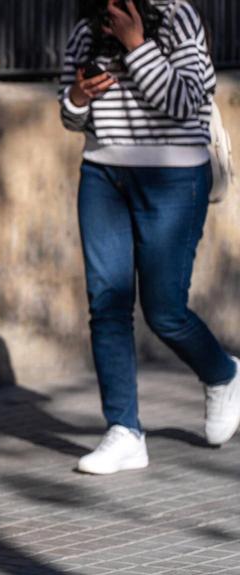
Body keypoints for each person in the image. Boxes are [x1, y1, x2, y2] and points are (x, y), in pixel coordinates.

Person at [59, 0, 240, 475]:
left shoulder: (179, 19)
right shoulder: (86, 29)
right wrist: (78, 95)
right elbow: (70, 116)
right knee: (107, 304)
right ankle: (124, 431)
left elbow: (187, 103)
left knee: (164, 310)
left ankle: (223, 373)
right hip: (102, 175)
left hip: (175, 178)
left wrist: (136, 45)